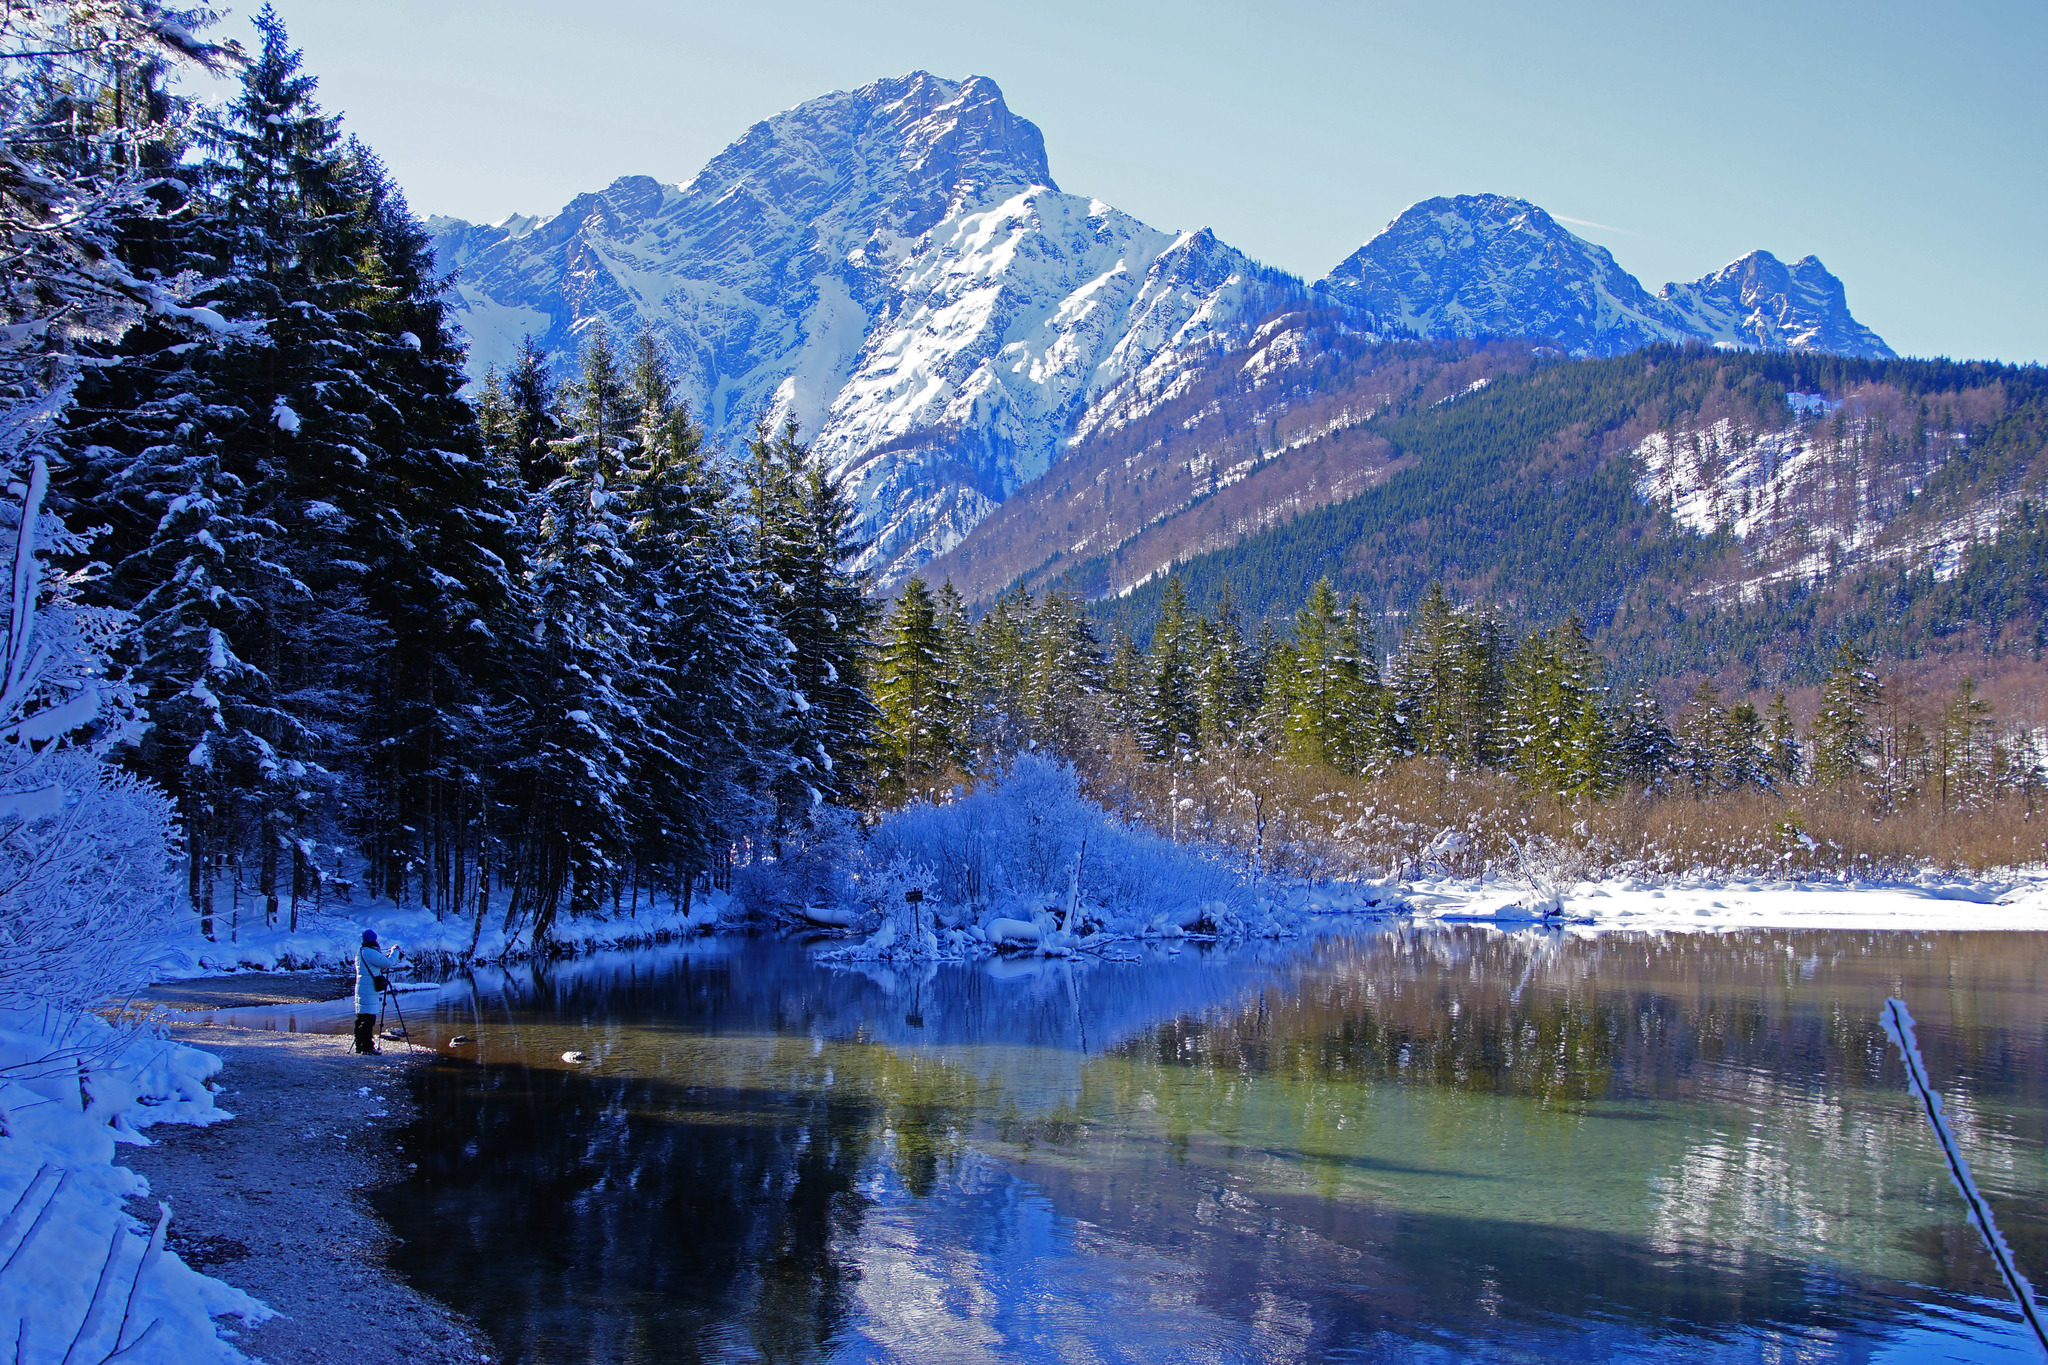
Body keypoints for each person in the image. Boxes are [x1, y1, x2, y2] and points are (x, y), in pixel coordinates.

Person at [354, 930, 400, 1055]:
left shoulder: (361, 951)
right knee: (369, 1020)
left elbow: (378, 962)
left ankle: (359, 1045)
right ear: (373, 940)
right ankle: (367, 1047)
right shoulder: (369, 952)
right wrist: (395, 952)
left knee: (361, 1018)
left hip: (362, 989)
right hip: (368, 990)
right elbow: (387, 963)